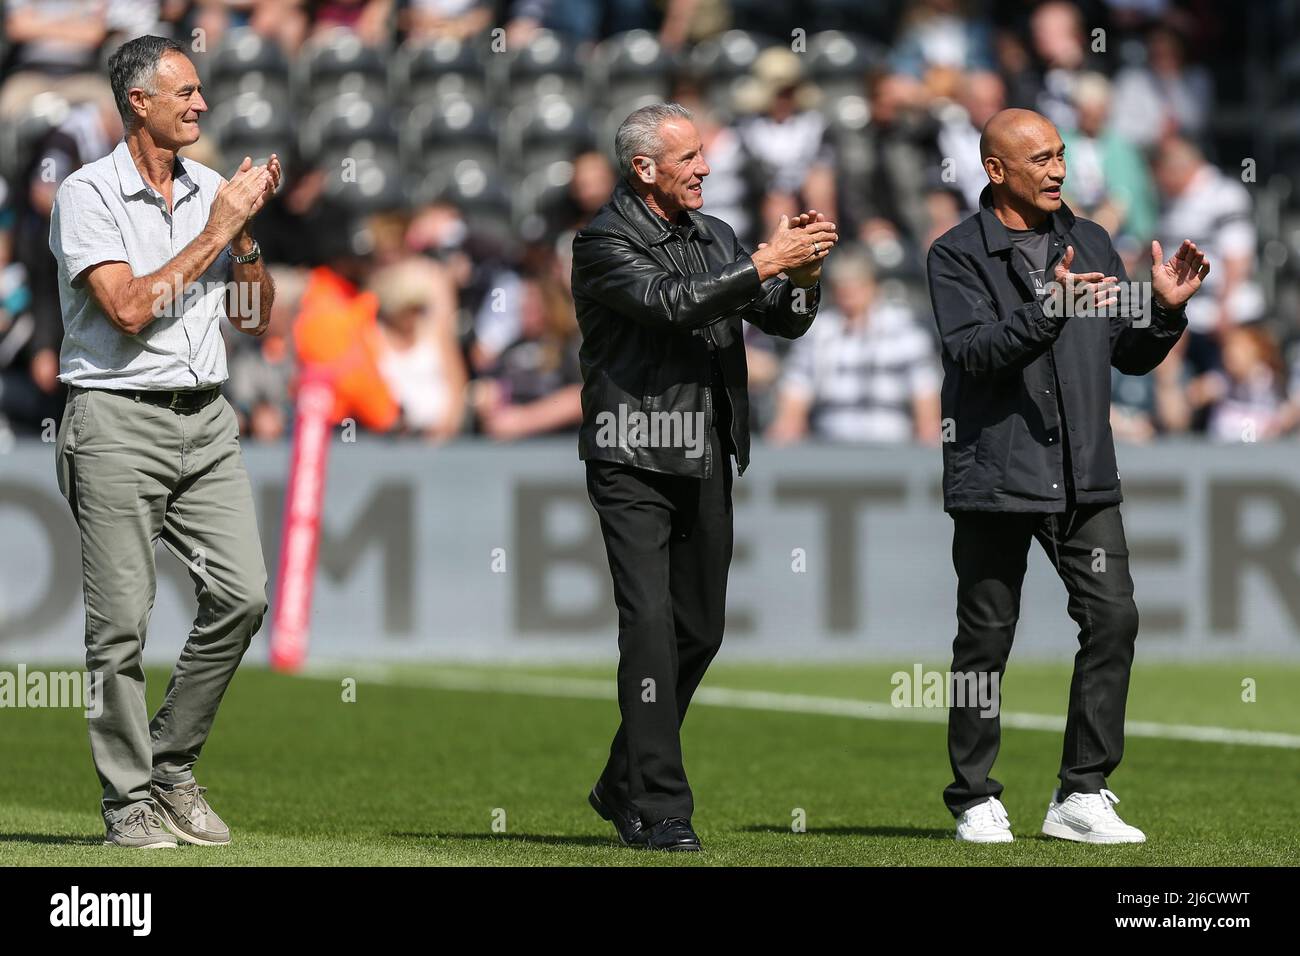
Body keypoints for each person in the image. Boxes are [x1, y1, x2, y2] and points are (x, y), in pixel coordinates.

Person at [926, 107, 1210, 844]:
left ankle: (1081, 792)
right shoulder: (956, 255)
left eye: (1060, 156)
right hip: (996, 472)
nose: (1058, 170)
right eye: (1041, 158)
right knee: (984, 641)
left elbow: (1125, 351)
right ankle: (973, 797)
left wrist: (1167, 316)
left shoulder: (1090, 241)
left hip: (1084, 473)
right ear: (997, 171)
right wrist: (1049, 310)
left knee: (1114, 619)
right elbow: (974, 352)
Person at [571, 102, 835, 851]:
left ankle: (621, 778)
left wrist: (804, 274)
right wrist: (764, 263)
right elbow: (673, 304)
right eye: (689, 158)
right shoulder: (602, 241)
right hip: (633, 454)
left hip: (707, 449)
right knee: (649, 628)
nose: (705, 169)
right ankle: (659, 807)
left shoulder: (713, 235)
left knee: (700, 631)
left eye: (704, 155)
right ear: (643, 168)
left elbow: (783, 318)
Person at [48, 34, 279, 849]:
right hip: (114, 419)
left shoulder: (215, 189)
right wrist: (220, 228)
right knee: (119, 630)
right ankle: (127, 804)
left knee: (244, 595)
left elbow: (251, 318)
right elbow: (130, 310)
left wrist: (245, 237)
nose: (202, 104)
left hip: (206, 419)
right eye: (185, 92)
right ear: (138, 102)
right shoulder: (85, 194)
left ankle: (171, 768)